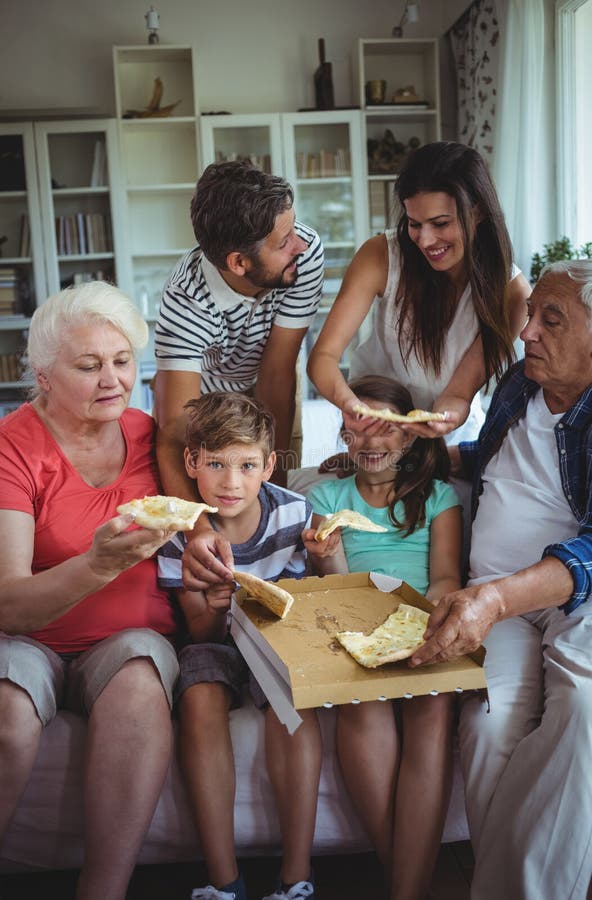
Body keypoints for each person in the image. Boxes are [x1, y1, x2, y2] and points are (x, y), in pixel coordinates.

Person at [409, 260, 592, 899]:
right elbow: (490, 457)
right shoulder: (523, 381)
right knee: (488, 728)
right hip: (494, 596)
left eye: (552, 319)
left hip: (577, 597)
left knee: (586, 706)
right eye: (530, 314)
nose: (527, 333)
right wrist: (407, 458)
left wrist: (494, 598)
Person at [0, 282, 179, 900]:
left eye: (123, 360)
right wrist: (98, 566)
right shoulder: (13, 447)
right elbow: (8, 601)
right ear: (44, 376)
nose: (113, 379)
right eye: (89, 365)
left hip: (129, 640)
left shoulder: (151, 432)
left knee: (138, 676)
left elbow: (212, 510)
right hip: (33, 638)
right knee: (7, 711)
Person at [156, 392, 340, 900]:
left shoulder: (294, 513)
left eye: (246, 465)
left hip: (275, 640)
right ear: (191, 462)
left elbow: (318, 597)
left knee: (293, 701)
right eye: (215, 463)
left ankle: (295, 877)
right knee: (198, 696)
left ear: (269, 466)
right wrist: (213, 605)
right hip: (212, 641)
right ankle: (223, 880)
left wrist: (328, 558)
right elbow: (200, 635)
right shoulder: (179, 531)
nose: (230, 481)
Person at [306, 374, 461, 900]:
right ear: (346, 435)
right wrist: (322, 552)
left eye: (386, 429)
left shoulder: (440, 497)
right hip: (357, 629)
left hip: (420, 626)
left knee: (433, 708)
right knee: (363, 707)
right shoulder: (327, 495)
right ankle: (407, 880)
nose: (372, 441)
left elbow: (444, 579)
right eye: (359, 427)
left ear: (409, 437)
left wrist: (421, 625)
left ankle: (403, 885)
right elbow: (334, 585)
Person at [307, 140, 531, 448]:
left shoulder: (512, 295)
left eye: (440, 223)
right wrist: (351, 404)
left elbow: (458, 394)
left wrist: (445, 416)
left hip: (451, 440)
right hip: (372, 433)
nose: (425, 240)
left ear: (477, 211)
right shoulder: (380, 255)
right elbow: (323, 357)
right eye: (414, 224)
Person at [154, 159, 324, 492]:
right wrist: (198, 527)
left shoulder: (304, 253)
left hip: (273, 368)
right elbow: (174, 432)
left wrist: (274, 492)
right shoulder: (186, 300)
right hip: (206, 392)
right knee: (220, 481)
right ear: (239, 263)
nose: (299, 245)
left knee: (273, 475)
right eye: (283, 241)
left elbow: (277, 371)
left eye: (293, 228)